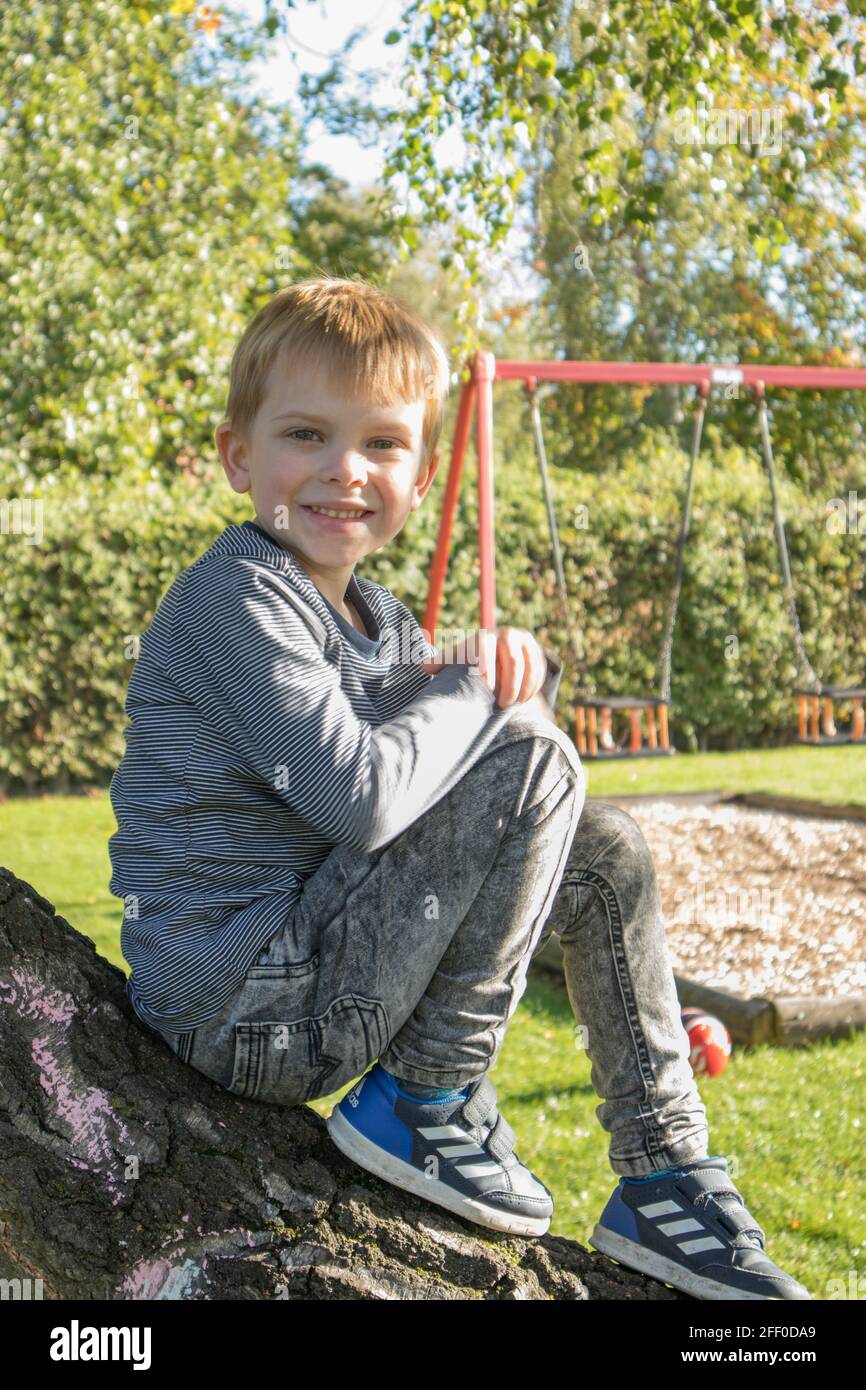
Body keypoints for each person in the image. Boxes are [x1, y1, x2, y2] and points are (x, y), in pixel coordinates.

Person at [108, 275, 809, 1301]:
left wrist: (487, 681)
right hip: (239, 1000)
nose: (344, 470)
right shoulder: (233, 594)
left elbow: (472, 801)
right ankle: (426, 1098)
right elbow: (361, 798)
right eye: (305, 434)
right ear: (236, 456)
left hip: (311, 969)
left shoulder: (377, 620)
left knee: (602, 848)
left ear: (421, 473)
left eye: (381, 444)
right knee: (528, 753)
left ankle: (664, 1179)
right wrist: (483, 685)